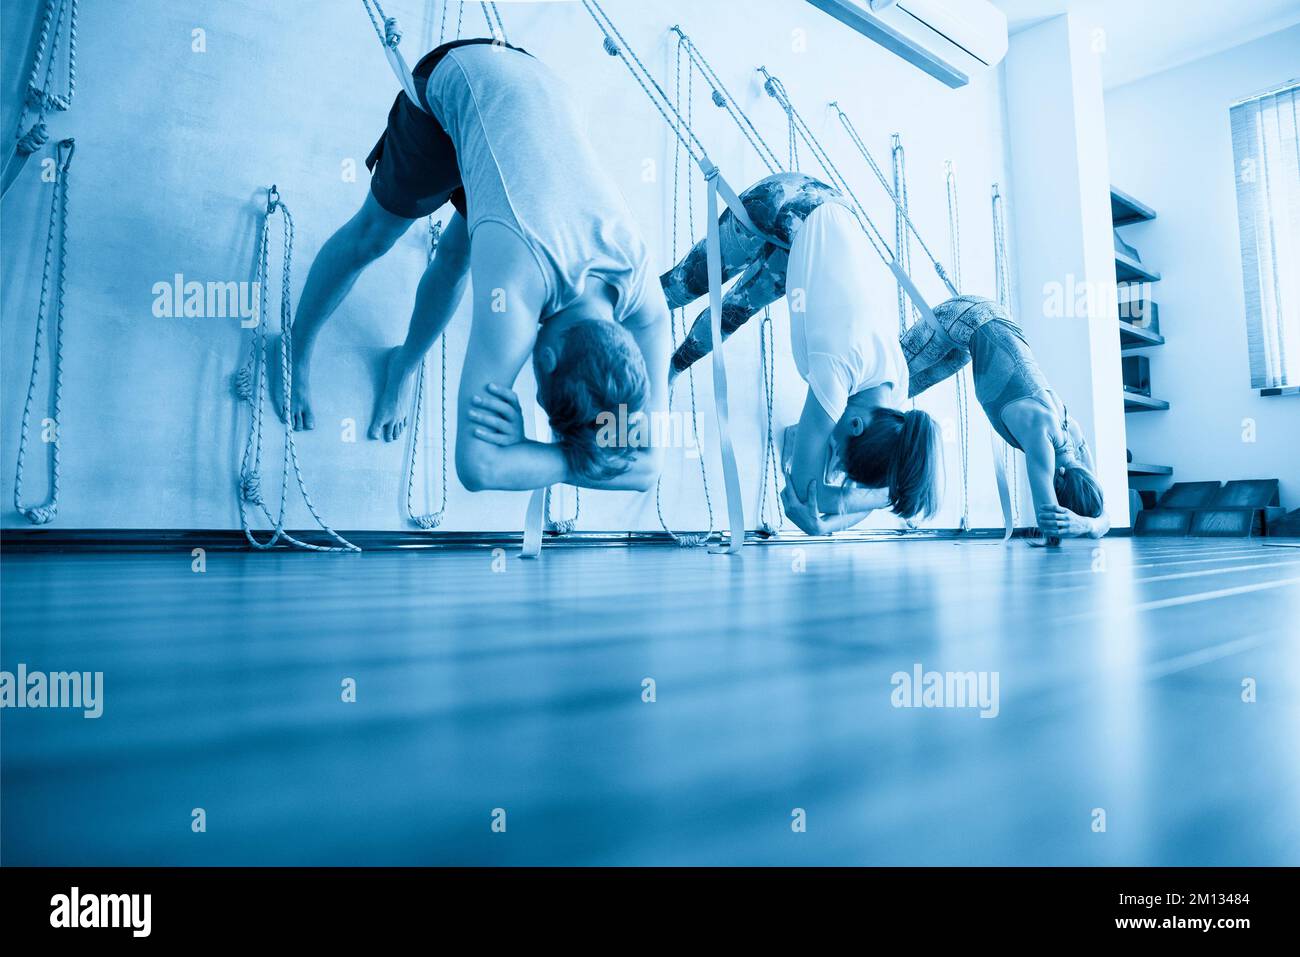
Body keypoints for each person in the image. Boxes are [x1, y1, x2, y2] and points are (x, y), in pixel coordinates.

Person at [282, 38, 669, 492]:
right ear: (543, 357)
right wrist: (573, 460)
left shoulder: (646, 303)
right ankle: (296, 345)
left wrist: (578, 452)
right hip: (466, 75)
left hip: (539, 87)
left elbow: (648, 467)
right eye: (540, 394)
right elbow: (478, 467)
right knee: (374, 235)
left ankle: (402, 365)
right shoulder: (520, 285)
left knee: (458, 257)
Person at [660, 172, 940, 534]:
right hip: (793, 202)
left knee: (733, 312)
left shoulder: (892, 394)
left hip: (823, 229)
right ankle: (605, 311)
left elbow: (845, 497)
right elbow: (805, 491)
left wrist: (833, 525)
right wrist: (863, 505)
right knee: (684, 285)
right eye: (836, 450)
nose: (831, 454)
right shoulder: (838, 372)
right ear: (855, 424)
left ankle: (671, 367)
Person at [903, 295, 1109, 542]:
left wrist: (1086, 524)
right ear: (1059, 479)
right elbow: (1049, 517)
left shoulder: (1074, 438)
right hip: (970, 318)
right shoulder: (1042, 436)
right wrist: (1081, 525)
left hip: (977, 332)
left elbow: (1105, 518)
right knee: (891, 374)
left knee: (901, 387)